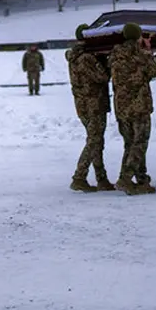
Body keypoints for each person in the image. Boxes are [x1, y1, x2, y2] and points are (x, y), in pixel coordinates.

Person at [109, 23, 156, 195]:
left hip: (121, 106)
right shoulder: (141, 55)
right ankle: (125, 179)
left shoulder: (115, 55)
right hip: (139, 106)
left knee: (130, 144)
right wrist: (148, 50)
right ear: (138, 37)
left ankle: (141, 179)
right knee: (140, 143)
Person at [66, 25, 114, 192]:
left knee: (96, 140)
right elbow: (103, 77)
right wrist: (105, 61)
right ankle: (79, 177)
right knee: (94, 141)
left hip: (84, 104)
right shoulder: (86, 58)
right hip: (94, 104)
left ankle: (101, 178)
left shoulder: (75, 55)